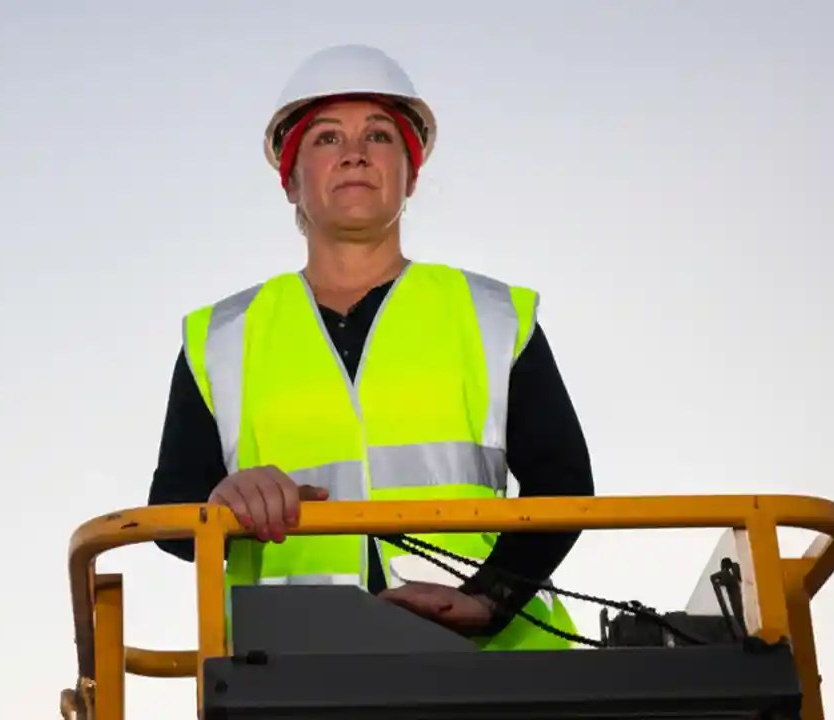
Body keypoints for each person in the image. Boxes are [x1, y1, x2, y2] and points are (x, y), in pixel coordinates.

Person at [147, 44, 594, 650]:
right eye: (327, 138)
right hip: (291, 665)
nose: (354, 152)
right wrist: (221, 505)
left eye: (379, 136)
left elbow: (564, 483)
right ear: (291, 179)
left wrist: (488, 598)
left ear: (411, 175)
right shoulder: (221, 336)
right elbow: (170, 519)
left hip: (494, 669)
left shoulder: (492, 314)